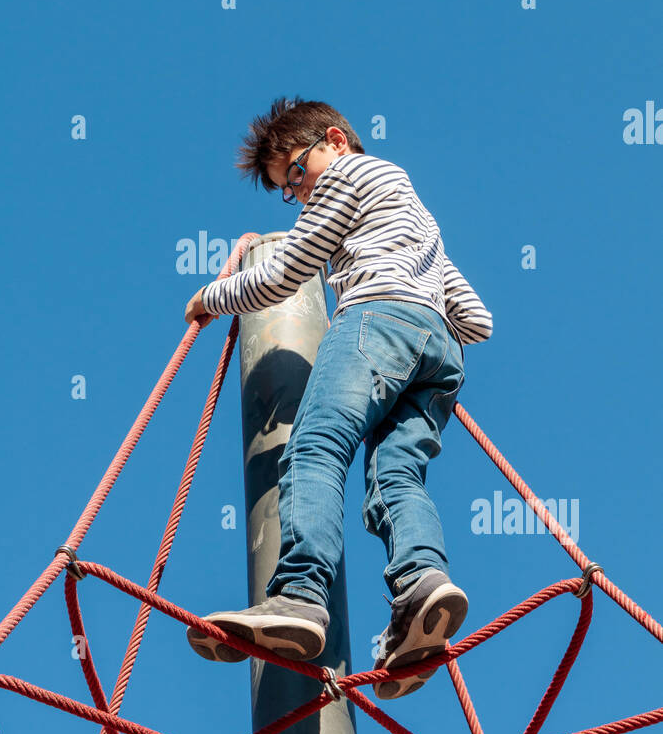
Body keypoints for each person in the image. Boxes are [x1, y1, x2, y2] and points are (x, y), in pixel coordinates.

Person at [183, 97, 493, 699]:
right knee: (399, 476)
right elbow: (476, 319)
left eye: (296, 173)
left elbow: (285, 272)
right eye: (285, 190)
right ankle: (421, 587)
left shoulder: (351, 175)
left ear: (335, 140)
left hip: (374, 322)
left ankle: (299, 598)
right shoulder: (416, 215)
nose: (297, 195)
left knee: (315, 451)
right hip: (440, 353)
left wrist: (212, 296)